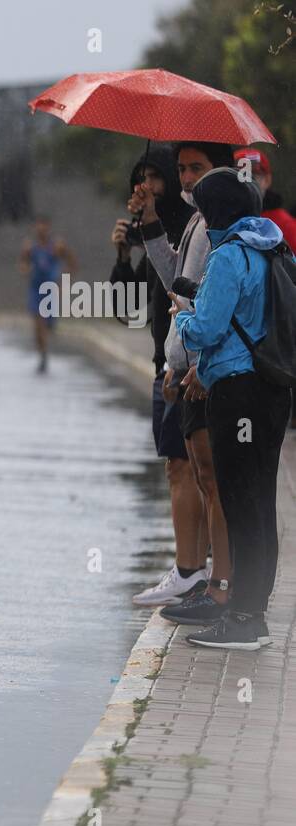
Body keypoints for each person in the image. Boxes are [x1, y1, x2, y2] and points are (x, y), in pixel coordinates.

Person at [173, 167, 292, 649]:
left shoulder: (228, 256)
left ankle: (242, 619)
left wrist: (183, 319)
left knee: (241, 503)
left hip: (238, 392)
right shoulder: (274, 248)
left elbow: (206, 331)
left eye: (203, 208)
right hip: (273, 390)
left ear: (218, 210)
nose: (201, 216)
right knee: (260, 503)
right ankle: (253, 613)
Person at [133, 141, 237, 619]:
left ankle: (218, 586)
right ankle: (197, 577)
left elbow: (211, 304)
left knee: (214, 481)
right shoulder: (197, 221)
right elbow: (177, 279)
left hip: (203, 371)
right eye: (182, 169)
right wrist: (150, 221)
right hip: (184, 365)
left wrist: (193, 365)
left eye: (197, 168)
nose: (187, 178)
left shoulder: (221, 228)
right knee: (195, 472)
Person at [112, 147, 207, 610]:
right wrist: (122, 254)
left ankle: (192, 570)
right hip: (163, 361)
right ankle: (192, 567)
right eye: (141, 176)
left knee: (186, 467)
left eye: (157, 176)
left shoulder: (193, 226)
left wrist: (178, 363)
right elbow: (125, 308)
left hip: (184, 365)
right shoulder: (164, 229)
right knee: (179, 465)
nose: (147, 184)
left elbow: (183, 292)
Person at [18, 215, 77, 373]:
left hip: (51, 290)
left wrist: (65, 279)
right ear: (35, 228)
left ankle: (48, 334)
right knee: (38, 325)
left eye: (44, 225)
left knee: (46, 325)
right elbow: (23, 263)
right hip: (36, 289)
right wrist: (25, 268)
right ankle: (43, 356)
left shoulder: (57, 246)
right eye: (38, 225)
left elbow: (72, 262)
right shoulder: (30, 247)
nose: (41, 229)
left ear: (48, 227)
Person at [233, 147, 296, 249]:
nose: (246, 181)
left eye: (253, 176)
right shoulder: (217, 219)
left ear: (267, 180)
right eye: (240, 175)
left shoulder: (286, 225)